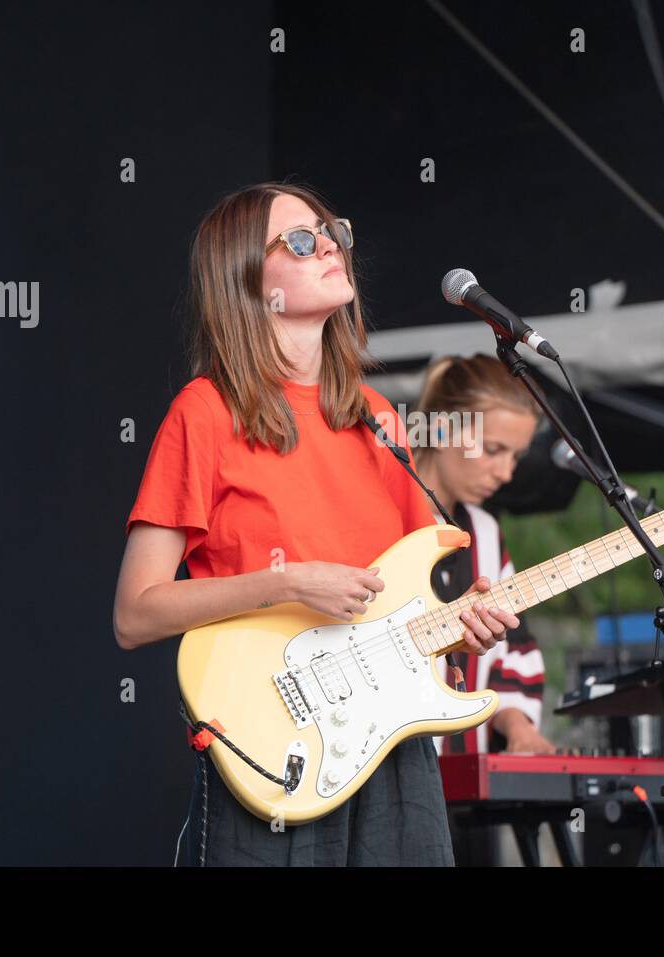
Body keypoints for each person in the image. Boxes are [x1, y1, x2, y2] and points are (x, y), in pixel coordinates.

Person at [113, 182, 521, 866]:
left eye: (333, 231)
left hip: (392, 751)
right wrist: (287, 583)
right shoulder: (206, 413)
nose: (330, 243)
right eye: (301, 240)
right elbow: (135, 612)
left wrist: (463, 623)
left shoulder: (379, 421)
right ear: (244, 276)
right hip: (272, 744)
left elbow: (413, 608)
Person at [413, 355, 557, 755]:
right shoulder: (378, 515)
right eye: (494, 450)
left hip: (464, 786)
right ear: (441, 429)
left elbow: (514, 650)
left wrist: (518, 729)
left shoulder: (486, 534)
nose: (506, 473)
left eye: (515, 456)